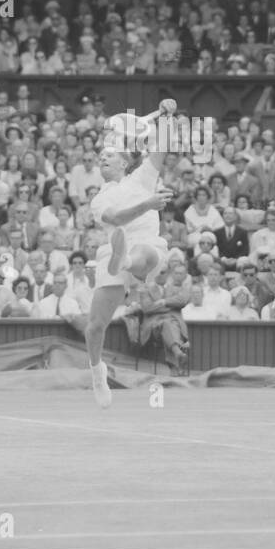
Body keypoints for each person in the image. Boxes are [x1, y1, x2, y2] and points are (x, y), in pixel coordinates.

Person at [82, 99, 178, 407]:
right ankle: (97, 372)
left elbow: (162, 146)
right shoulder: (100, 198)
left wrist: (167, 114)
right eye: (100, 157)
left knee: (147, 254)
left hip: (141, 245)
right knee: (95, 326)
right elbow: (115, 220)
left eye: (109, 155)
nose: (102, 159)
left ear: (125, 162)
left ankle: (126, 261)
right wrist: (148, 205)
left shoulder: (143, 177)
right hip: (115, 245)